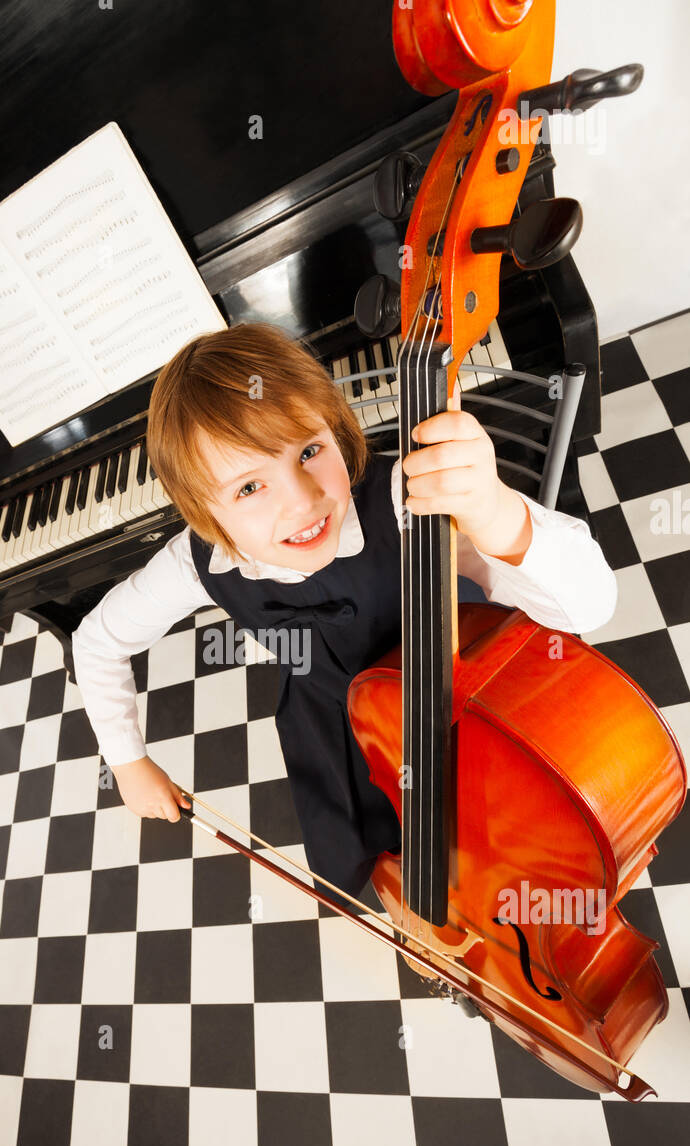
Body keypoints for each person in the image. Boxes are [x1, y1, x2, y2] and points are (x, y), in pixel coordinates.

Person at [71, 322, 617, 911]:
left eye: (310, 450)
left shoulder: (408, 502)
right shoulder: (196, 560)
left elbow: (590, 606)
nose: (302, 500)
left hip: (458, 696)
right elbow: (97, 642)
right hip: (338, 726)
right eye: (249, 487)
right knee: (376, 857)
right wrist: (127, 761)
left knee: (504, 833)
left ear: (337, 429)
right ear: (203, 511)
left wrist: (497, 514)